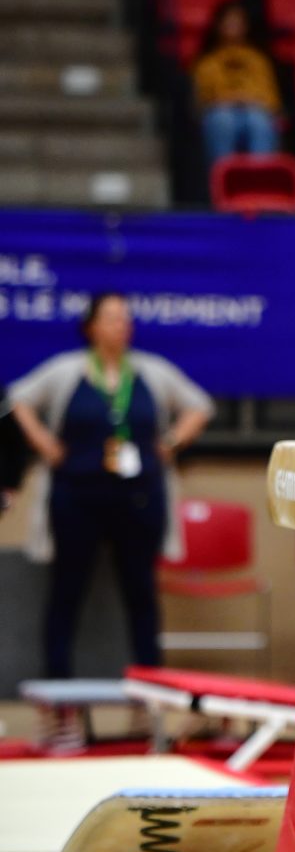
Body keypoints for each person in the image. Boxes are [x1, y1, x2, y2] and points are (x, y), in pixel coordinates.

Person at [9, 293, 214, 687]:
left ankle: (151, 692)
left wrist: (170, 442)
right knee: (66, 592)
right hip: (76, 498)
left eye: (125, 318)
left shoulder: (151, 370)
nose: (121, 325)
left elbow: (199, 405)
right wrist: (45, 444)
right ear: (91, 327)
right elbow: (19, 398)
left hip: (138, 500)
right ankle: (58, 694)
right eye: (111, 318)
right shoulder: (66, 370)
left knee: (141, 593)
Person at [192, 1, 282, 167]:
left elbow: (271, 99)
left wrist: (247, 100)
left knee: (259, 122)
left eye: (237, 23)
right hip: (219, 112)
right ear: (218, 26)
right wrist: (229, 100)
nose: (232, 27)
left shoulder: (258, 60)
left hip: (254, 110)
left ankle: (260, 178)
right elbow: (202, 101)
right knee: (222, 120)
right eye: (228, 22)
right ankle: (223, 178)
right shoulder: (207, 62)